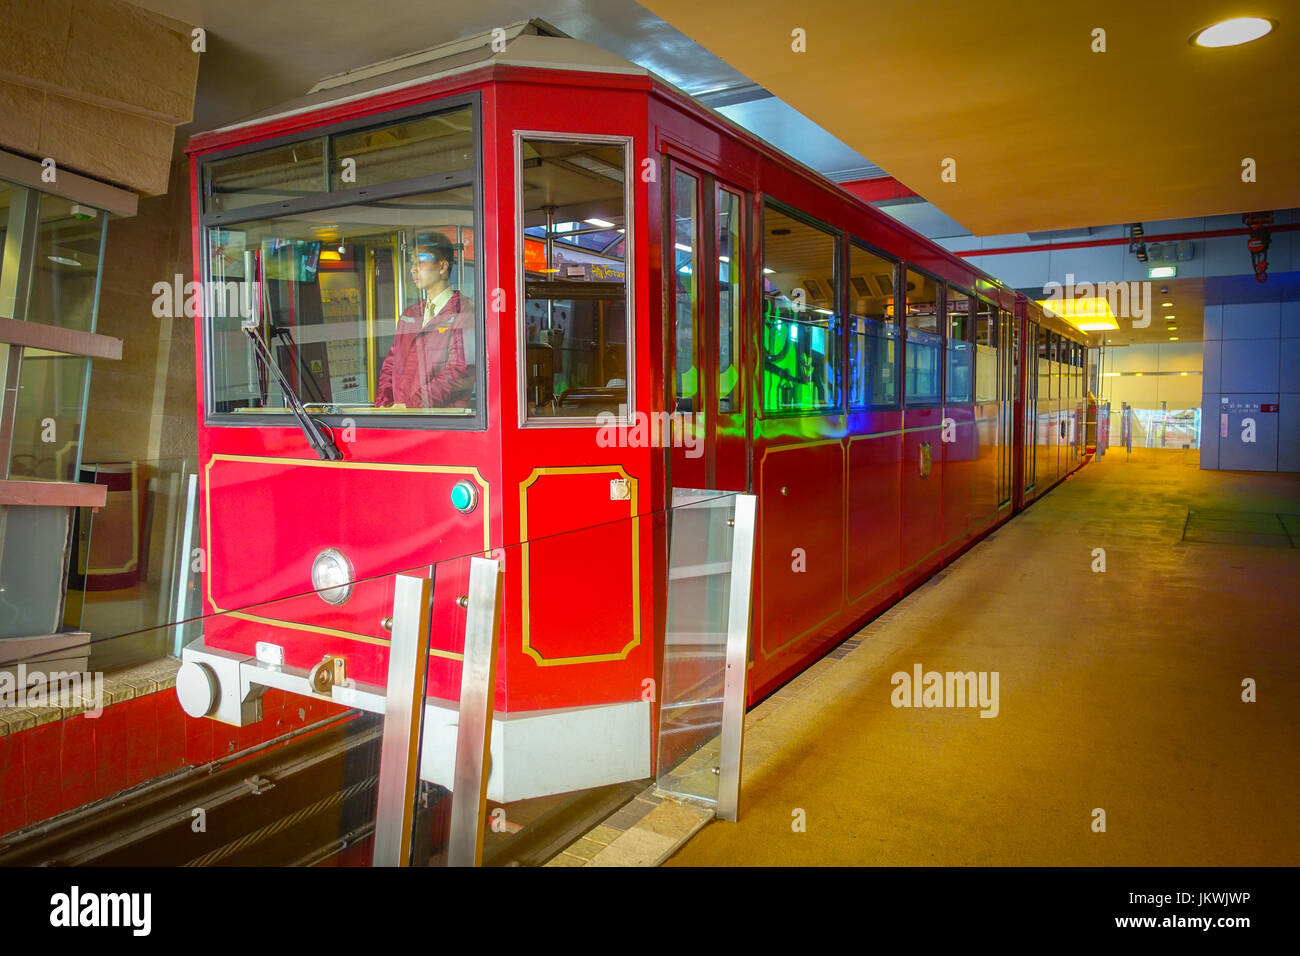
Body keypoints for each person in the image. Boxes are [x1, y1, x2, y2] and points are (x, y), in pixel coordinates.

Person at [375, 234, 474, 409]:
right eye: (412, 263)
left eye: (420, 261)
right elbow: (391, 364)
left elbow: (459, 373)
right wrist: (384, 403)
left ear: (442, 266)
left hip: (441, 424)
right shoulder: (410, 315)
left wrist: (411, 405)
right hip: (404, 419)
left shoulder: (464, 313)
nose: (413, 269)